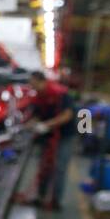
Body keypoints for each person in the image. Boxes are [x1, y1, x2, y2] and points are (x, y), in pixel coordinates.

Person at [24, 70, 76, 210]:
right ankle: (40, 198)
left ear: (43, 81)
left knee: (59, 167)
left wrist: (46, 125)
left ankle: (56, 201)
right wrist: (30, 124)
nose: (33, 87)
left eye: (34, 84)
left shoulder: (60, 93)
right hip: (47, 135)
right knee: (43, 166)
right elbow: (36, 115)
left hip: (64, 136)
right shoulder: (38, 97)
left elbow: (67, 115)